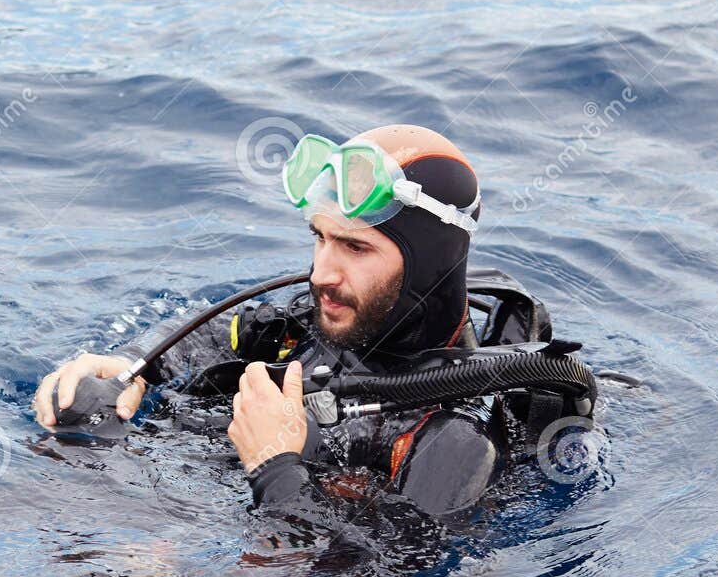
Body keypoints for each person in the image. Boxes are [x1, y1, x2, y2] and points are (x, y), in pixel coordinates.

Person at [33, 124, 506, 527]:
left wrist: (274, 468)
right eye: (320, 237)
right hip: (129, 498)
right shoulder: (307, 325)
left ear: (429, 265)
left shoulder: (453, 440)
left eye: (356, 248)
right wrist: (133, 367)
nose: (322, 273)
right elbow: (210, 337)